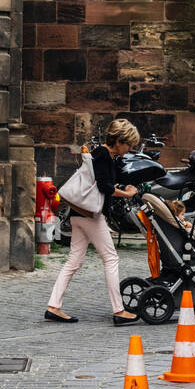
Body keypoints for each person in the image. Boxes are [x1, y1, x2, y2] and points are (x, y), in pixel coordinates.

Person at [45, 117, 142, 326]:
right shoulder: (104, 155)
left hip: (78, 213)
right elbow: (104, 187)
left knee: (74, 261)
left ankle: (53, 306)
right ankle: (119, 310)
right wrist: (127, 194)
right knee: (111, 258)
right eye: (129, 144)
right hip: (90, 216)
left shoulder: (101, 154)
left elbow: (99, 182)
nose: (130, 148)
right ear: (119, 140)